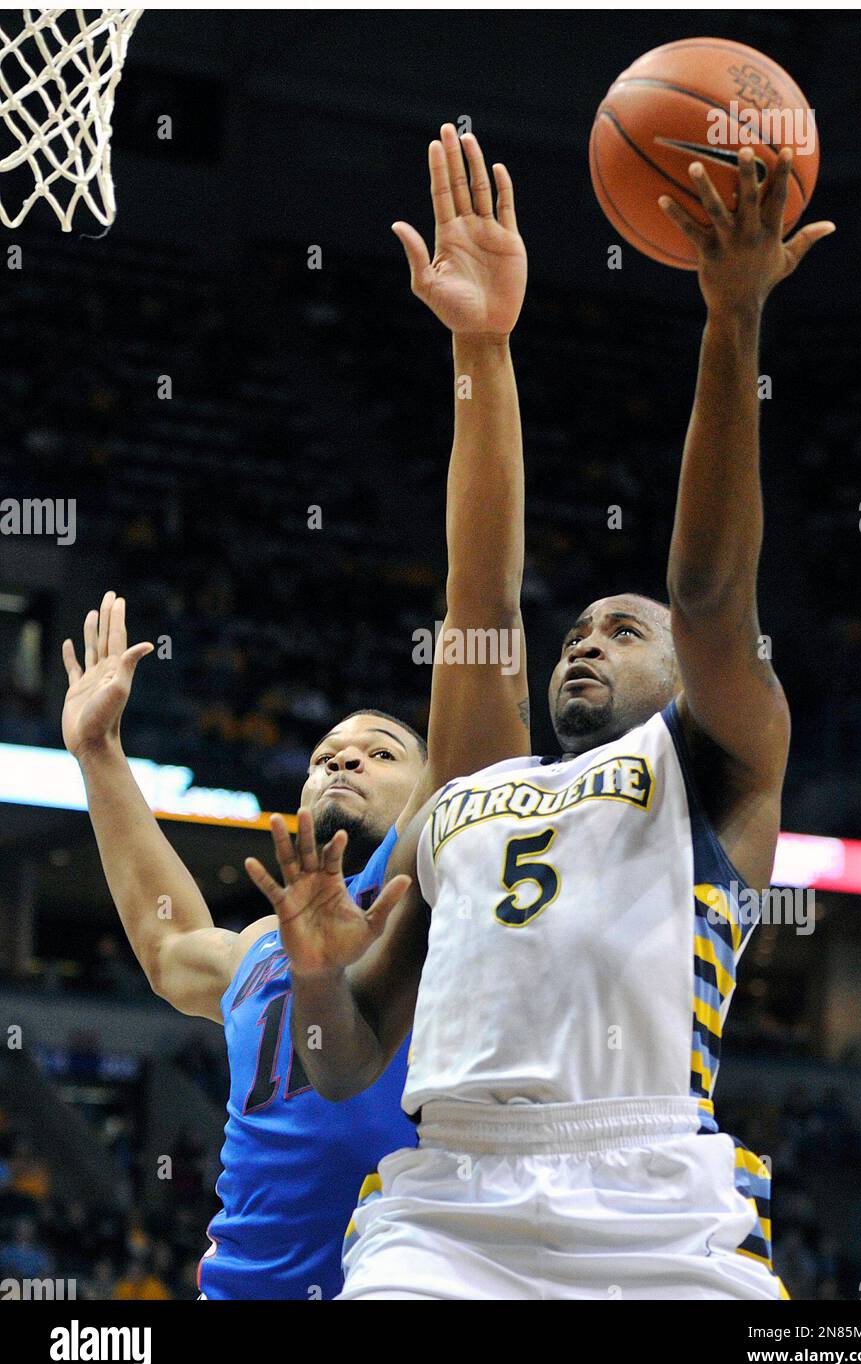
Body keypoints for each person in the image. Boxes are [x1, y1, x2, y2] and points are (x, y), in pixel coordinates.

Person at [268, 148, 834, 1299]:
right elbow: (340, 1070)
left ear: (689, 672)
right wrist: (480, 348)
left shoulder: (712, 762)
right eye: (576, 628)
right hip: (448, 1207)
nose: (583, 639)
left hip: (655, 1197)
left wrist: (729, 324)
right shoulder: (470, 790)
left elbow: (713, 591)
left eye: (623, 630)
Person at [60, 125, 531, 1299]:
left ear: (433, 794)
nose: (341, 760)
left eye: (378, 750)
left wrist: (480, 354)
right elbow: (170, 941)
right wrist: (99, 753)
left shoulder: (448, 892)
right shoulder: (268, 948)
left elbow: (480, 601)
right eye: (327, 750)